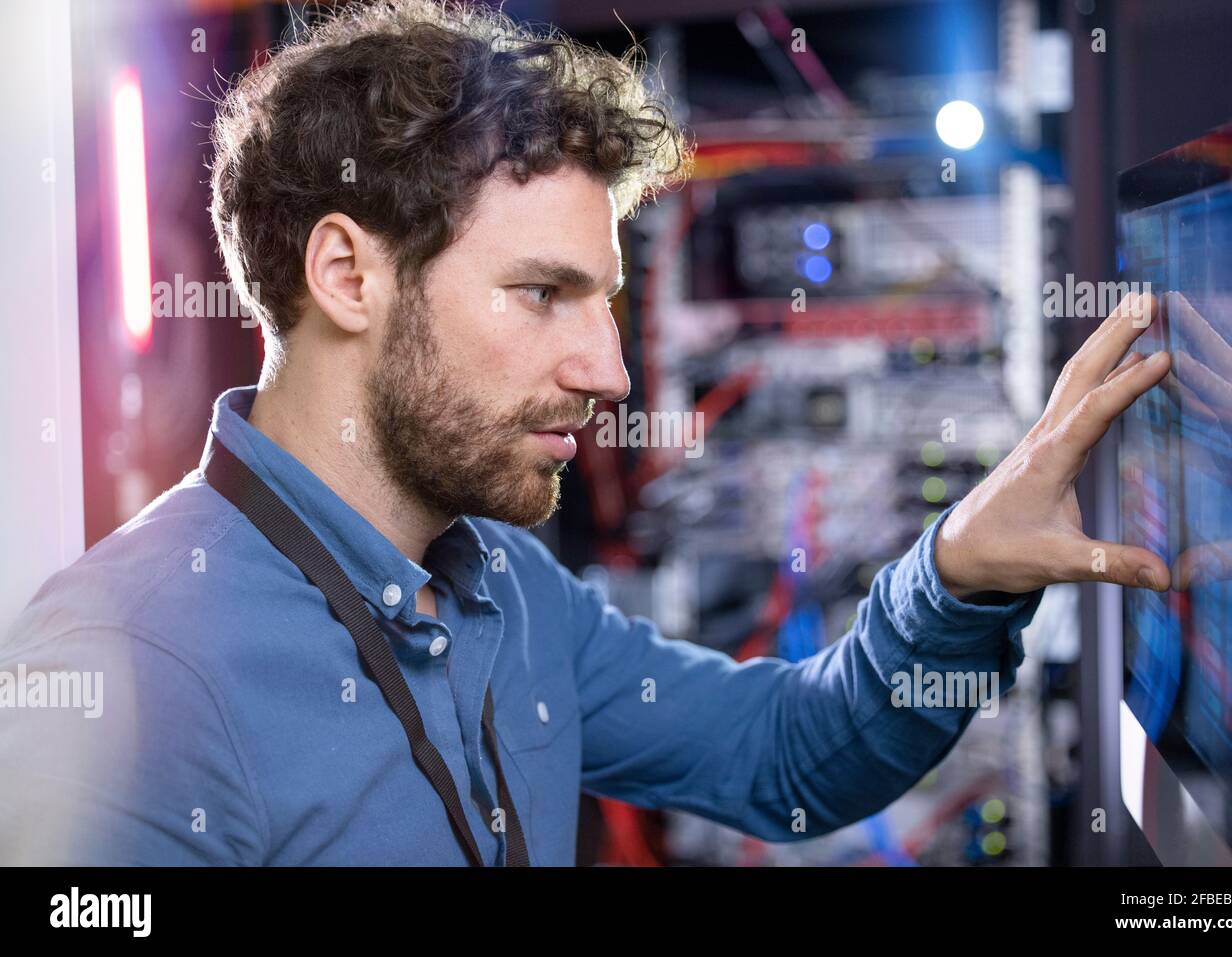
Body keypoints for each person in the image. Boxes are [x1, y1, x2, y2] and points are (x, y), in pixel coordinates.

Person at [0, 0, 1171, 865]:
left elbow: (787, 759)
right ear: (349, 275)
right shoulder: (130, 672)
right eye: (540, 294)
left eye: (603, 306)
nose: (607, 371)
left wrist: (957, 574)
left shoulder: (506, 590)